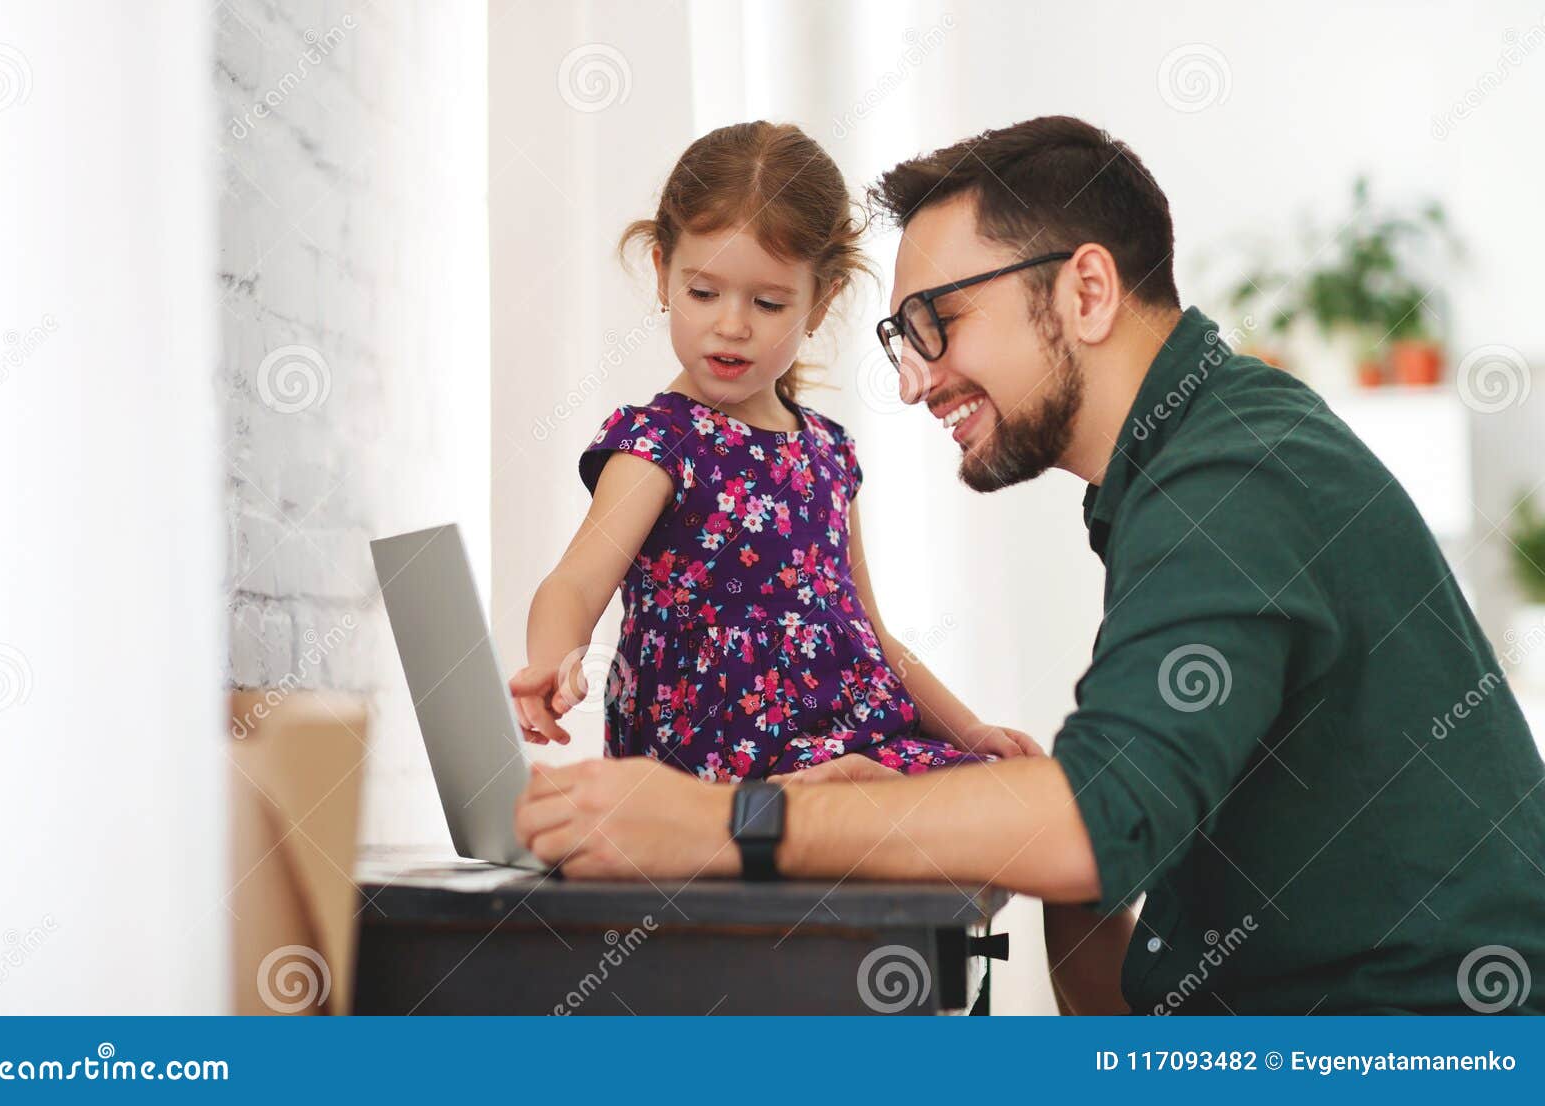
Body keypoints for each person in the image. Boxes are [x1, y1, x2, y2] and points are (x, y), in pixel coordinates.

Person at [514, 115, 1545, 1015]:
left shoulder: (1236, 477)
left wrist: (730, 817)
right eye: (902, 337)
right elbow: (1104, 837)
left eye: (940, 322)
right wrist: (929, 813)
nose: (917, 382)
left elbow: (1092, 821)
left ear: (1086, 289)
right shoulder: (1182, 465)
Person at [507, 121, 1040, 784]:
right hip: (709, 760)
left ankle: (847, 796)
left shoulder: (828, 452)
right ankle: (818, 800)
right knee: (892, 799)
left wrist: (972, 731)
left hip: (840, 738)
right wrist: (551, 661)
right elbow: (576, 582)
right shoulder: (660, 444)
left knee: (1022, 792)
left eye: (768, 302)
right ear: (661, 272)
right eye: (702, 293)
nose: (731, 324)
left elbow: (867, 625)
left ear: (821, 303)